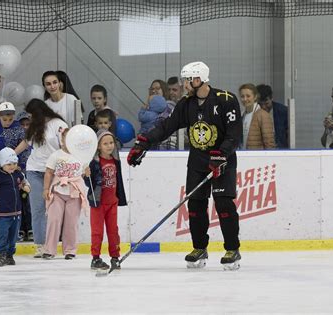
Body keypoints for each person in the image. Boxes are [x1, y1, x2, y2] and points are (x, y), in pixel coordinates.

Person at [127, 61, 243, 270]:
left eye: (187, 80)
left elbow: (235, 134)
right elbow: (166, 126)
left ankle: (232, 249)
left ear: (199, 79)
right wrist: (144, 142)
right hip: (198, 162)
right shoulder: (185, 104)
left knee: (224, 204)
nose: (184, 85)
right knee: (195, 206)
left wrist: (221, 154)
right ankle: (199, 247)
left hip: (222, 162)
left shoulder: (226, 100)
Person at [24, 99, 68, 257]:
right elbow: (26, 143)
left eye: (32, 115)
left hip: (55, 172)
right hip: (34, 170)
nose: (30, 119)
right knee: (37, 209)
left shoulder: (58, 124)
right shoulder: (34, 126)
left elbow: (67, 144)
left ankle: (54, 244)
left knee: (55, 210)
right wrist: (10, 156)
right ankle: (39, 245)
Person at [42, 129, 89, 260]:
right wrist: (46, 189)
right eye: (65, 139)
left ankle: (70, 250)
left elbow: (85, 172)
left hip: (74, 193)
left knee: (71, 222)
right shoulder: (56, 155)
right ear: (61, 141)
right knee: (54, 220)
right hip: (57, 191)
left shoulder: (81, 156)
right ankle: (49, 249)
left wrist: (87, 171)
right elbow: (49, 172)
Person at [85, 129, 127, 270]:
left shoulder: (115, 161)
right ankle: (95, 258)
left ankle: (115, 257)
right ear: (98, 146)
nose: (109, 146)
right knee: (97, 232)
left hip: (112, 202)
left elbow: (118, 180)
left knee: (113, 231)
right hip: (98, 202)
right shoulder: (94, 162)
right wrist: (86, 175)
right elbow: (88, 183)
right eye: (105, 143)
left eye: (111, 143)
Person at [0, 148, 31, 267]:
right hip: (3, 214)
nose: (12, 166)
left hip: (16, 213)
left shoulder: (18, 174)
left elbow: (25, 182)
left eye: (14, 163)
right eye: (9, 164)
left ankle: (10, 255)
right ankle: (1, 254)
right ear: (2, 164)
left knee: (13, 236)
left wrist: (26, 186)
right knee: (3, 235)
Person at [239, 83, 275, 149]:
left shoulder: (263, 115)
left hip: (257, 158)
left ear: (255, 97)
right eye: (242, 96)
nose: (245, 99)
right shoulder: (242, 115)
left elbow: (269, 143)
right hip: (244, 156)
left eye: (248, 96)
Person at [15, 111, 33, 240]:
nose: (25, 127)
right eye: (23, 125)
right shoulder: (15, 142)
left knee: (30, 203)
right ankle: (20, 229)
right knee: (19, 203)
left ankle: (31, 228)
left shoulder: (36, 142)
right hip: (18, 176)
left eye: (28, 124)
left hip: (32, 176)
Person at [256, 84, 289, 149]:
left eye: (266, 103)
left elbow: (288, 134)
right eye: (260, 104)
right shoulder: (254, 112)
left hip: (280, 149)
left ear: (272, 98)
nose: (263, 107)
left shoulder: (283, 111)